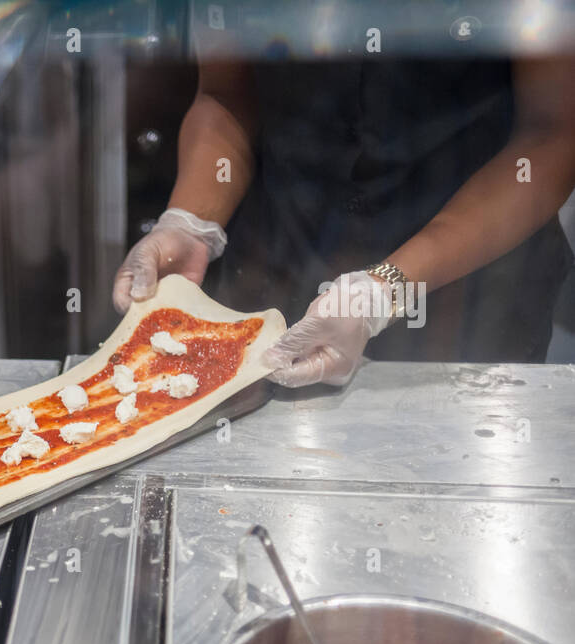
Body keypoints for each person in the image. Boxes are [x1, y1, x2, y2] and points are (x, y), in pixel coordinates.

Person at [112, 2, 575, 387]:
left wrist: (385, 291)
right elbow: (224, 97)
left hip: (468, 297)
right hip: (274, 269)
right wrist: (192, 221)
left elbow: (553, 135)